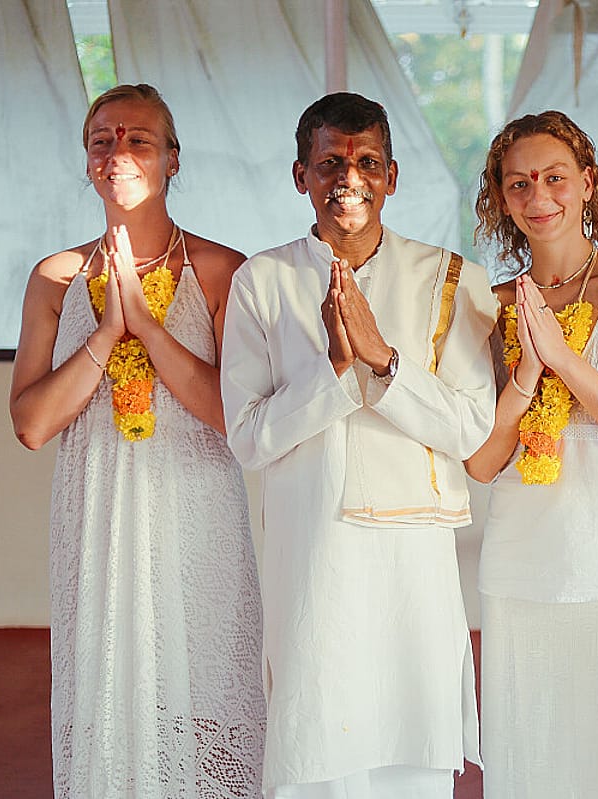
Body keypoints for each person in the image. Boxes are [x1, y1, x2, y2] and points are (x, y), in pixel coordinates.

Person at [220, 92, 498, 798]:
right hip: (311, 555)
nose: (349, 176)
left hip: (413, 565)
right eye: (330, 162)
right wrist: (338, 374)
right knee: (316, 734)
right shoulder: (264, 280)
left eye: (367, 161)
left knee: (411, 740)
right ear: (299, 175)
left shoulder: (448, 278)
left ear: (393, 175)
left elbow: (470, 428)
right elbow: (249, 439)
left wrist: (386, 361)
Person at [8, 83, 265, 798]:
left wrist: (149, 329)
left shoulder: (221, 270)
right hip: (96, 514)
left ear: (173, 159)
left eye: (139, 139)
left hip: (196, 511)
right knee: (107, 691)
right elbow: (32, 423)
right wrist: (107, 334)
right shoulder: (56, 277)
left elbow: (232, 413)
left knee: (205, 684)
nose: (118, 151)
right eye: (103, 139)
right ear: (87, 159)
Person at [466, 111, 598, 797]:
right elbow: (481, 460)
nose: (540, 196)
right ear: (503, 198)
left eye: (555, 178)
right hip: (523, 565)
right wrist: (529, 375)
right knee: (531, 754)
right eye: (519, 183)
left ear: (588, 184)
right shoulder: (492, 304)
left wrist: (562, 357)